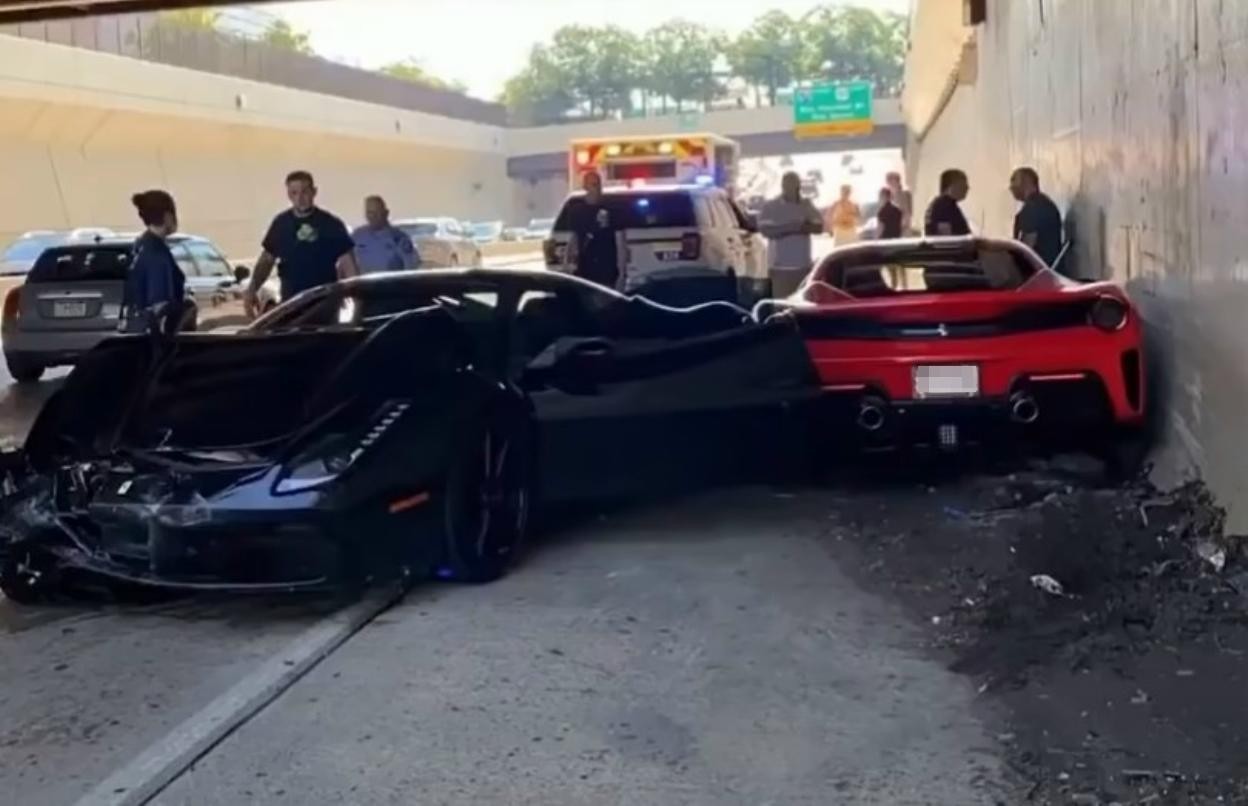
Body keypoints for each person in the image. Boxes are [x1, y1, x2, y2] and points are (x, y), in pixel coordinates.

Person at [245, 170, 359, 319]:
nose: (300, 198)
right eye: (294, 193)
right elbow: (267, 259)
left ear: (314, 192)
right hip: (291, 302)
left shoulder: (331, 224)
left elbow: (348, 264)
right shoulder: (281, 224)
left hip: (324, 302)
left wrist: (358, 301)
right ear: (289, 195)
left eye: (305, 192)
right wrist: (253, 288)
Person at [120, 189, 186, 336]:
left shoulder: (140, 245)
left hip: (134, 329)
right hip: (152, 339)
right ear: (168, 216)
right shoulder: (157, 253)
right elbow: (160, 305)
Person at [758, 171, 823, 298]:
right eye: (788, 184)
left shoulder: (806, 205)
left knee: (801, 305)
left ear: (799, 186)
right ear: (782, 186)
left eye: (795, 184)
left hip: (803, 267)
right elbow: (766, 231)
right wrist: (791, 227)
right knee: (780, 305)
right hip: (779, 268)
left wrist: (803, 227)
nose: (792, 188)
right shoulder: (771, 206)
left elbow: (819, 227)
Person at [563, 170, 625, 290]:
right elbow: (574, 239)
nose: (597, 188)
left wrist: (622, 273)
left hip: (607, 271)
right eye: (593, 184)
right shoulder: (577, 211)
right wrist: (567, 264)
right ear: (585, 186)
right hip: (585, 271)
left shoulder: (611, 210)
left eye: (598, 184)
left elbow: (621, 242)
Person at [1009, 167, 1064, 269]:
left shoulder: (1033, 208)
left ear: (1026, 182)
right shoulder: (1044, 204)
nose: (1011, 187)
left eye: (1013, 180)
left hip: (1038, 271)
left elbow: (1027, 248)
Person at [352, 195, 419, 274]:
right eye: (370, 212)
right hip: (364, 284)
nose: (373, 216)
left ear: (386, 213)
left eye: (377, 212)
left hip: (391, 284)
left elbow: (411, 268)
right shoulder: (357, 236)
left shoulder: (399, 238)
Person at [924, 169, 972, 237]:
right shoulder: (944, 207)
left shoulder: (942, 204)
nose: (967, 188)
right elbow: (947, 239)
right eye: (963, 184)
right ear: (952, 186)